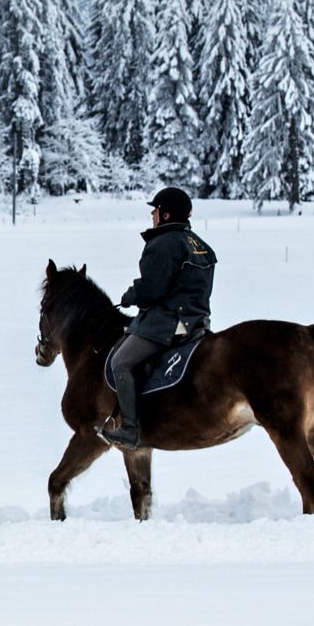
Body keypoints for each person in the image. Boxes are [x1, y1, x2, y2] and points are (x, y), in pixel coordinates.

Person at [102, 185, 217, 449]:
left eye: (156, 209)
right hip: (197, 321)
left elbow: (152, 290)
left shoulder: (163, 244)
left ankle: (130, 429)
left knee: (120, 362)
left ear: (166, 215)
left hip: (169, 323)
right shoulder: (199, 244)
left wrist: (131, 295)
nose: (152, 214)